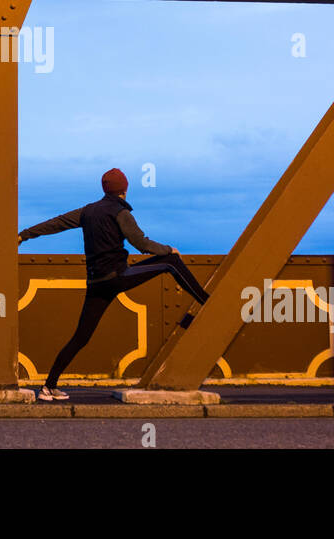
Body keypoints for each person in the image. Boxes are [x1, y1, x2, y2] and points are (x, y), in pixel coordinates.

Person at [17, 167, 210, 401]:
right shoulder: (120, 213)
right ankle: (208, 304)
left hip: (97, 283)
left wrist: (23, 235)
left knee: (81, 337)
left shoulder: (87, 211)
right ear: (124, 191)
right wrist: (169, 249)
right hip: (118, 277)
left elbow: (57, 223)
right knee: (171, 261)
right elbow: (141, 243)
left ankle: (48, 387)